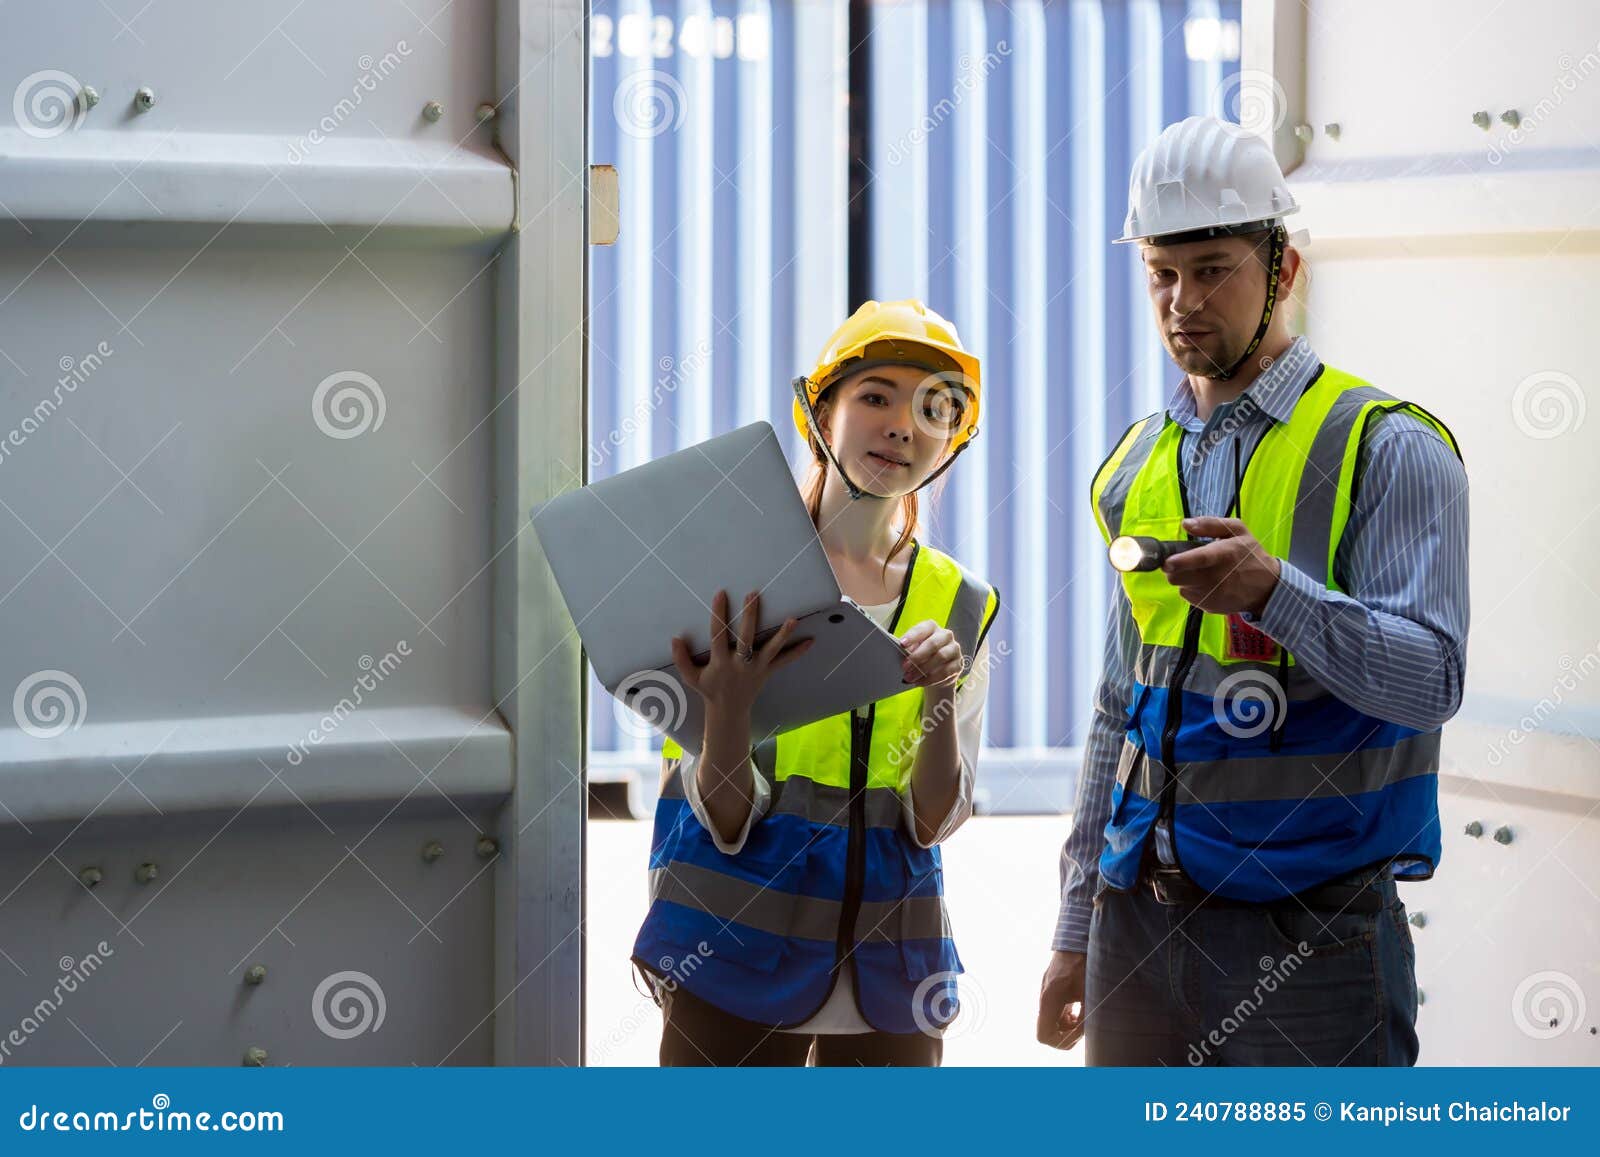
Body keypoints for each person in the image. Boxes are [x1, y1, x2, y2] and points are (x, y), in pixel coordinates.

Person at [1036, 116, 1469, 1065]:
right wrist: (1076, 925)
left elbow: (1433, 680)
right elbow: (1121, 710)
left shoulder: (1388, 446)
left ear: (1285, 268)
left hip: (1313, 942)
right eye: (1162, 271)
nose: (1182, 300)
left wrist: (1278, 593)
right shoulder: (1132, 467)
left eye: (1214, 267)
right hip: (1134, 929)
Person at [633, 300, 1000, 1066]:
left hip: (891, 982)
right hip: (733, 965)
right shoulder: (734, 576)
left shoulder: (963, 603)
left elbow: (933, 821)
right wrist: (727, 708)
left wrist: (939, 693)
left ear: (952, 442)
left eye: (935, 406)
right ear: (818, 413)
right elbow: (723, 820)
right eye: (876, 396)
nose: (903, 424)